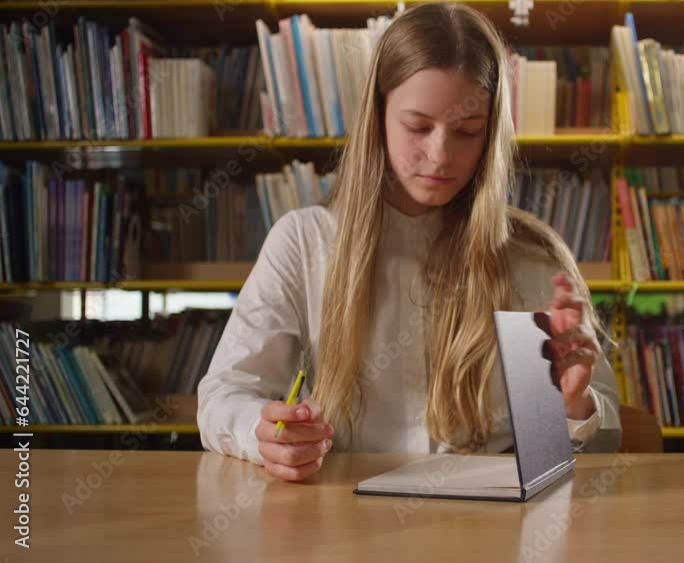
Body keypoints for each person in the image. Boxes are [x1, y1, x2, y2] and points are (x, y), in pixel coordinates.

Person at [197, 2, 622, 482]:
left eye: (467, 132)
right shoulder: (304, 242)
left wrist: (570, 404)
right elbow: (223, 395)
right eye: (418, 127)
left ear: (492, 135)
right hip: (342, 524)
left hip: (487, 533)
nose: (440, 156)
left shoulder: (528, 259)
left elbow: (569, 451)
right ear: (377, 118)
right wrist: (263, 435)